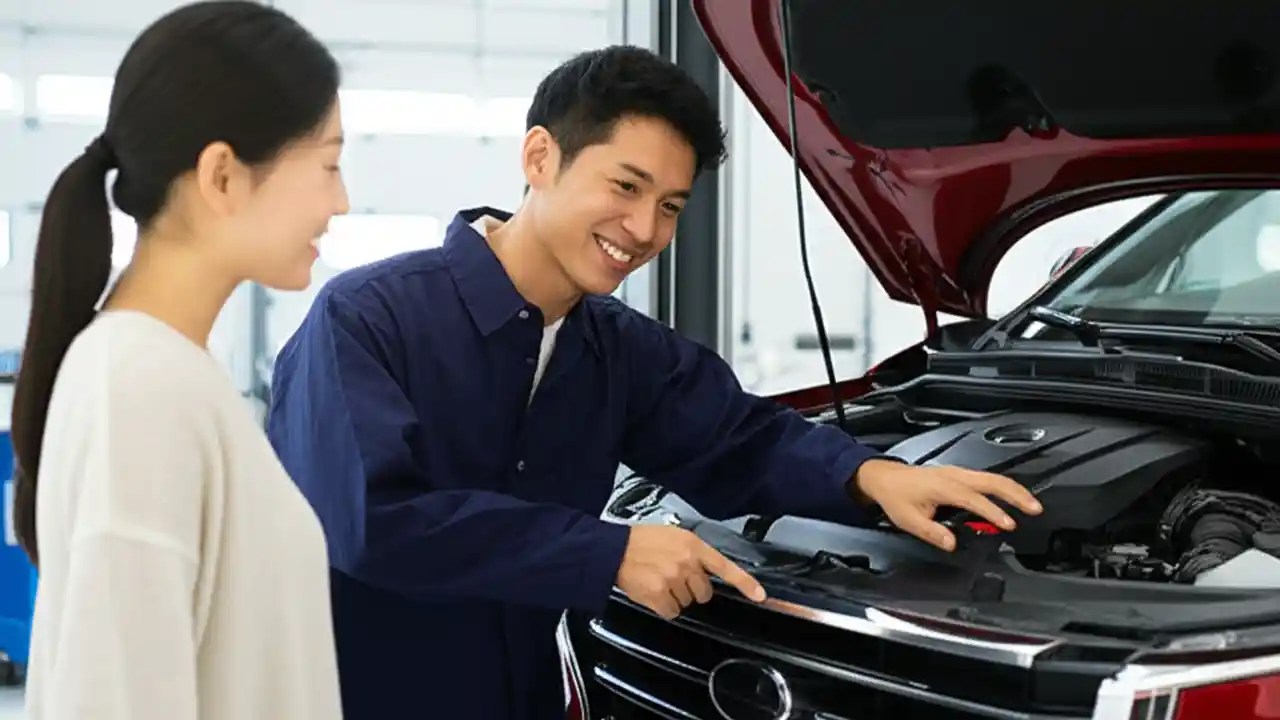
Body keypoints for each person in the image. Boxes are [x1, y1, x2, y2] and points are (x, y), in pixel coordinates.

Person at [267, 45, 1042, 720]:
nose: (644, 231)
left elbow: (739, 439)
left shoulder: (617, 349)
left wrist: (871, 477)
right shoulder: (364, 320)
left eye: (671, 206)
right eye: (626, 187)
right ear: (540, 158)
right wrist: (606, 555)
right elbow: (372, 523)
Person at [11, 2, 351, 718]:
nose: (341, 201)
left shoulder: (163, 373)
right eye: (328, 163)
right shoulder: (141, 385)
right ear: (223, 176)